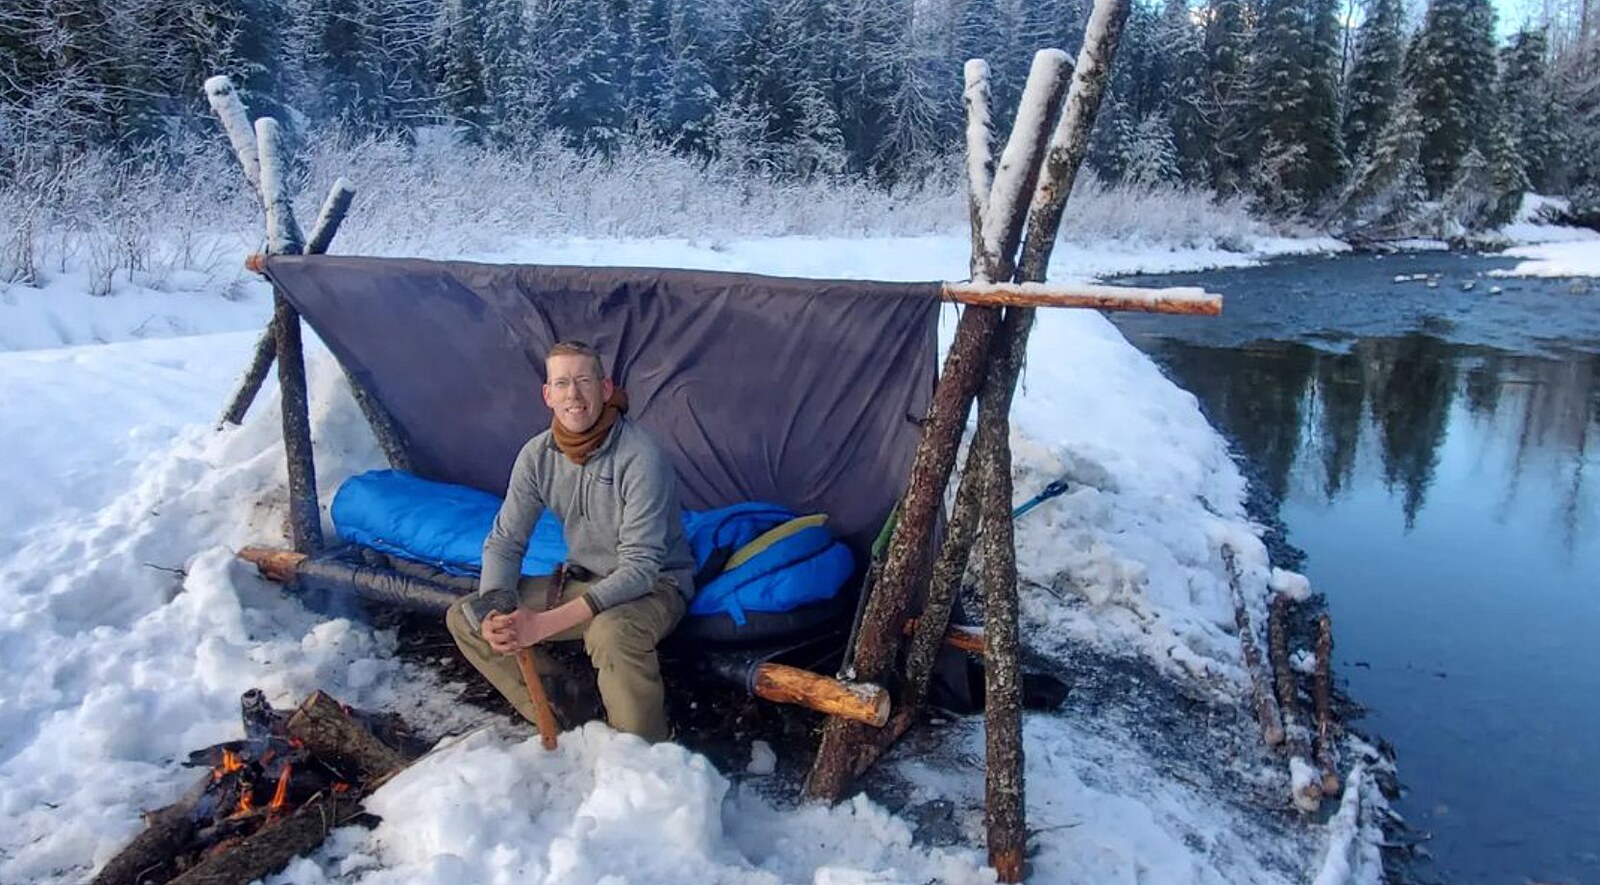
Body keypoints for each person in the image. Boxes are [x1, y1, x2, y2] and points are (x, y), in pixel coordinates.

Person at [445, 340, 696, 742]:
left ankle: (643, 759)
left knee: (610, 633)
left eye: (584, 381)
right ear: (548, 394)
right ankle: (567, 709)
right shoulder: (537, 455)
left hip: (653, 588)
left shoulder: (640, 456)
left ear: (605, 388)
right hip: (586, 579)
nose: (573, 395)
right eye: (561, 384)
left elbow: (641, 569)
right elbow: (506, 542)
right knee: (468, 617)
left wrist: (541, 624)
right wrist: (497, 609)